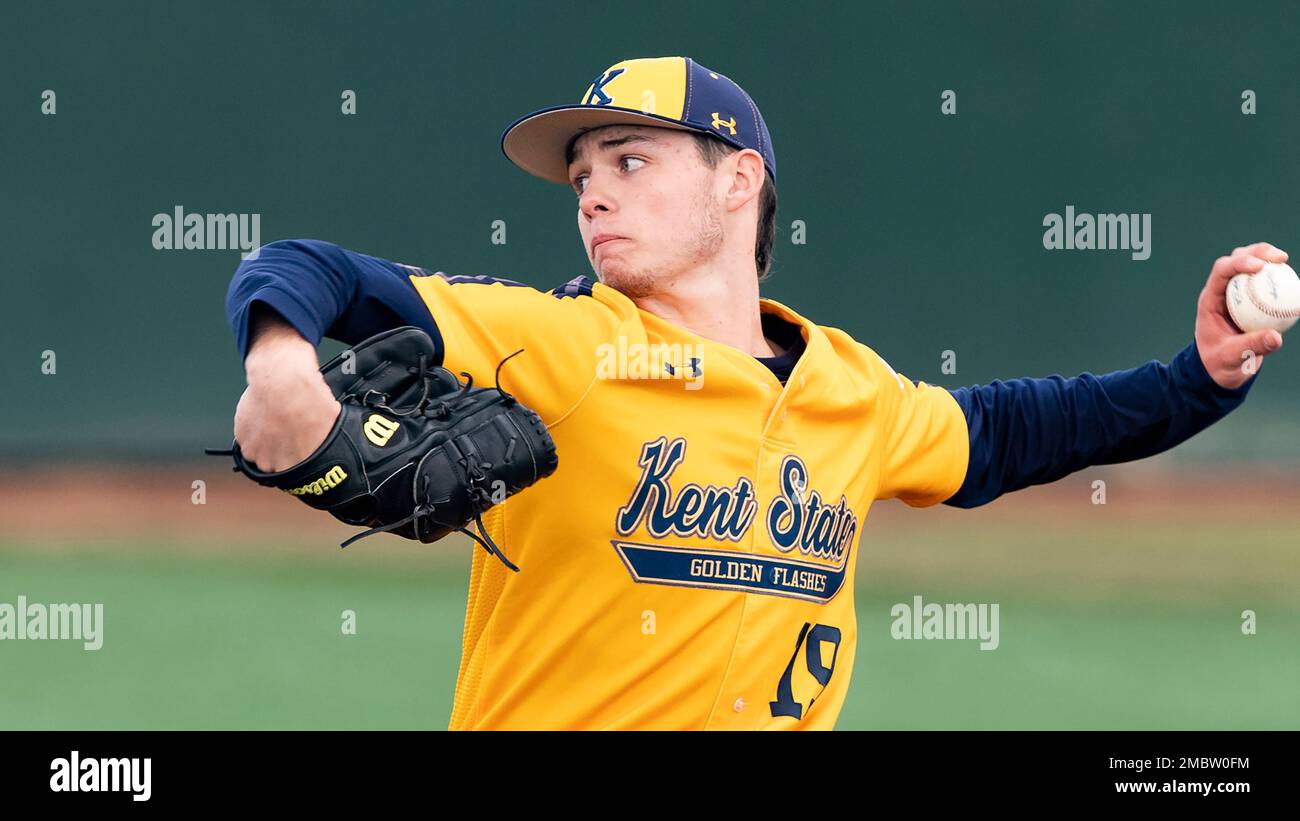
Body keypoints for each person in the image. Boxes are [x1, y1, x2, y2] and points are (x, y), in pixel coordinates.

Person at [224, 56, 1284, 729]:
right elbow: (310, 267)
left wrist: (1197, 376)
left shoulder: (850, 392)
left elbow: (1014, 430)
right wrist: (278, 364)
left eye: (630, 160)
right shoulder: (558, 340)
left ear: (738, 181)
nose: (592, 189)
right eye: (583, 171)